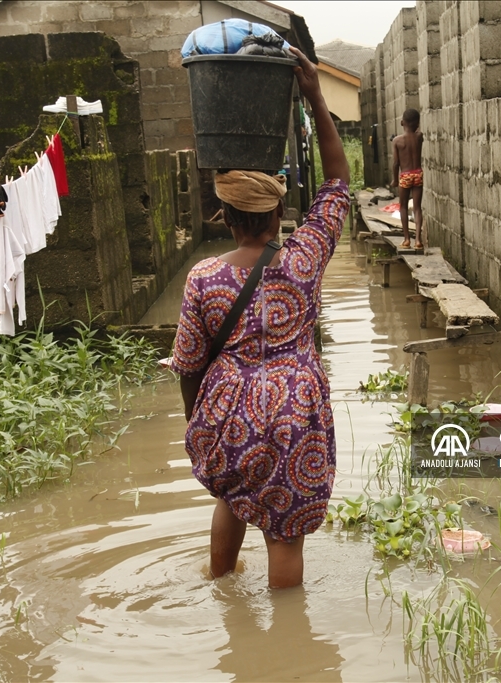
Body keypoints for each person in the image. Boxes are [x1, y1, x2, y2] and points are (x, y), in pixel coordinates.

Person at [170, 47, 350, 589]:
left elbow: (187, 365)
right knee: (284, 534)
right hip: (295, 408)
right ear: (277, 213)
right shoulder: (303, 258)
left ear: (224, 217)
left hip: (230, 407)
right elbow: (338, 183)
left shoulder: (203, 277)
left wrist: (196, 418)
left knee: (231, 495)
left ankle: (222, 593)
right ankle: (287, 653)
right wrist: (316, 96)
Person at [391, 108, 424, 250]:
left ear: (402, 122)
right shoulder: (419, 137)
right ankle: (417, 240)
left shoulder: (397, 141)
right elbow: (417, 132)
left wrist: (395, 180)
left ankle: (406, 240)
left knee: (403, 206)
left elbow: (396, 163)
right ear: (417, 123)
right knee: (417, 208)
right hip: (418, 174)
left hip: (405, 175)